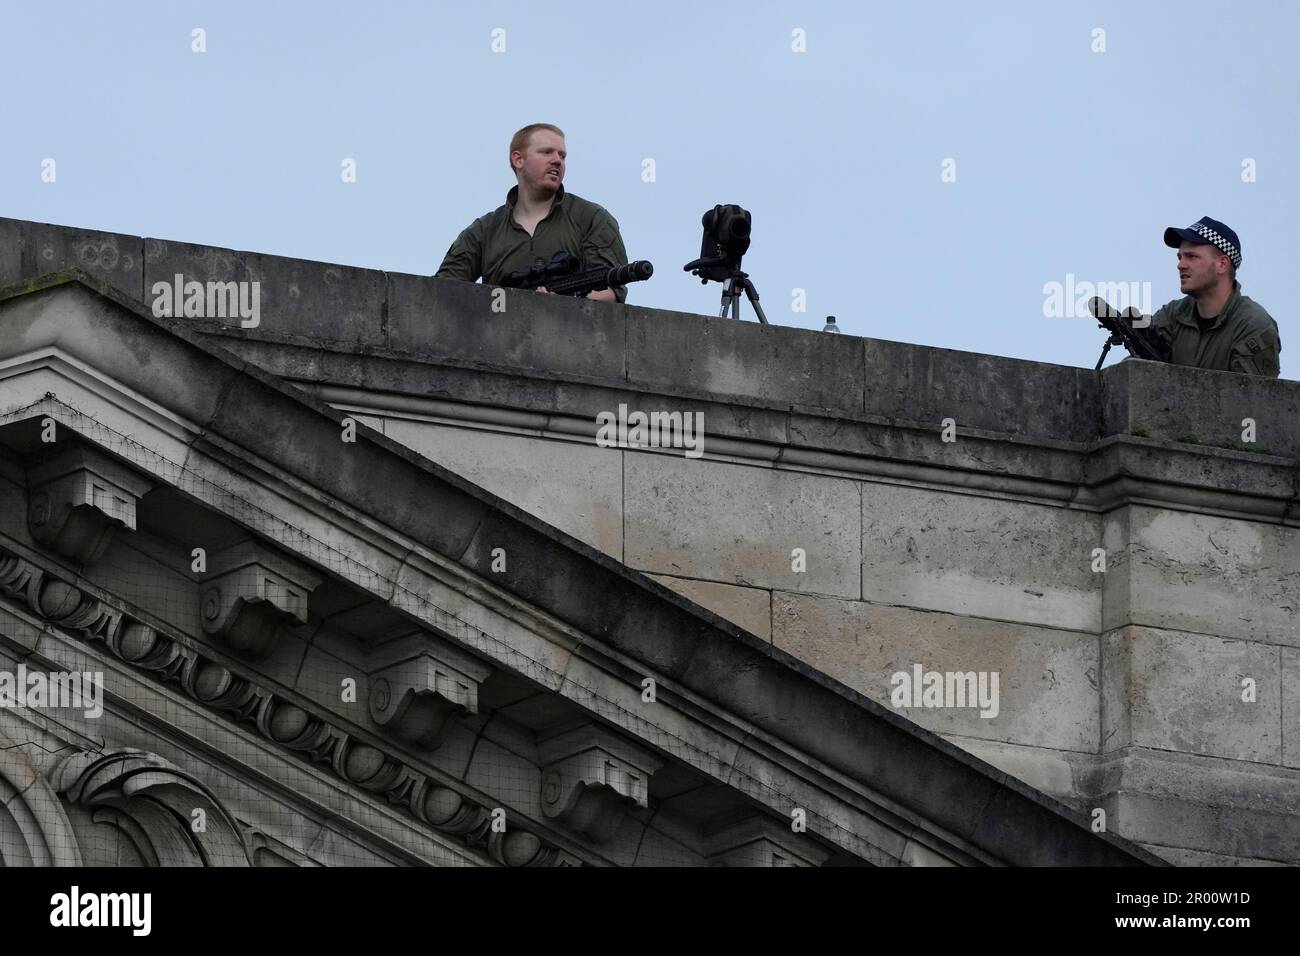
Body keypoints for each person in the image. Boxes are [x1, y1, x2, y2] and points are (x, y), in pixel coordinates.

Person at [434, 123, 630, 303]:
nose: (557, 161)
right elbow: (439, 291)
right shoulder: (484, 231)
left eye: (562, 156)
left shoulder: (591, 218)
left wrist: (563, 300)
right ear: (518, 159)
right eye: (546, 152)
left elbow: (613, 291)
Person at [1141, 217, 1281, 377]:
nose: (1180, 265)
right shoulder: (1173, 314)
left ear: (1222, 264)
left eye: (1191, 256)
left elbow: (1251, 397)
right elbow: (1140, 370)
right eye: (1180, 257)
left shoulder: (1253, 325)